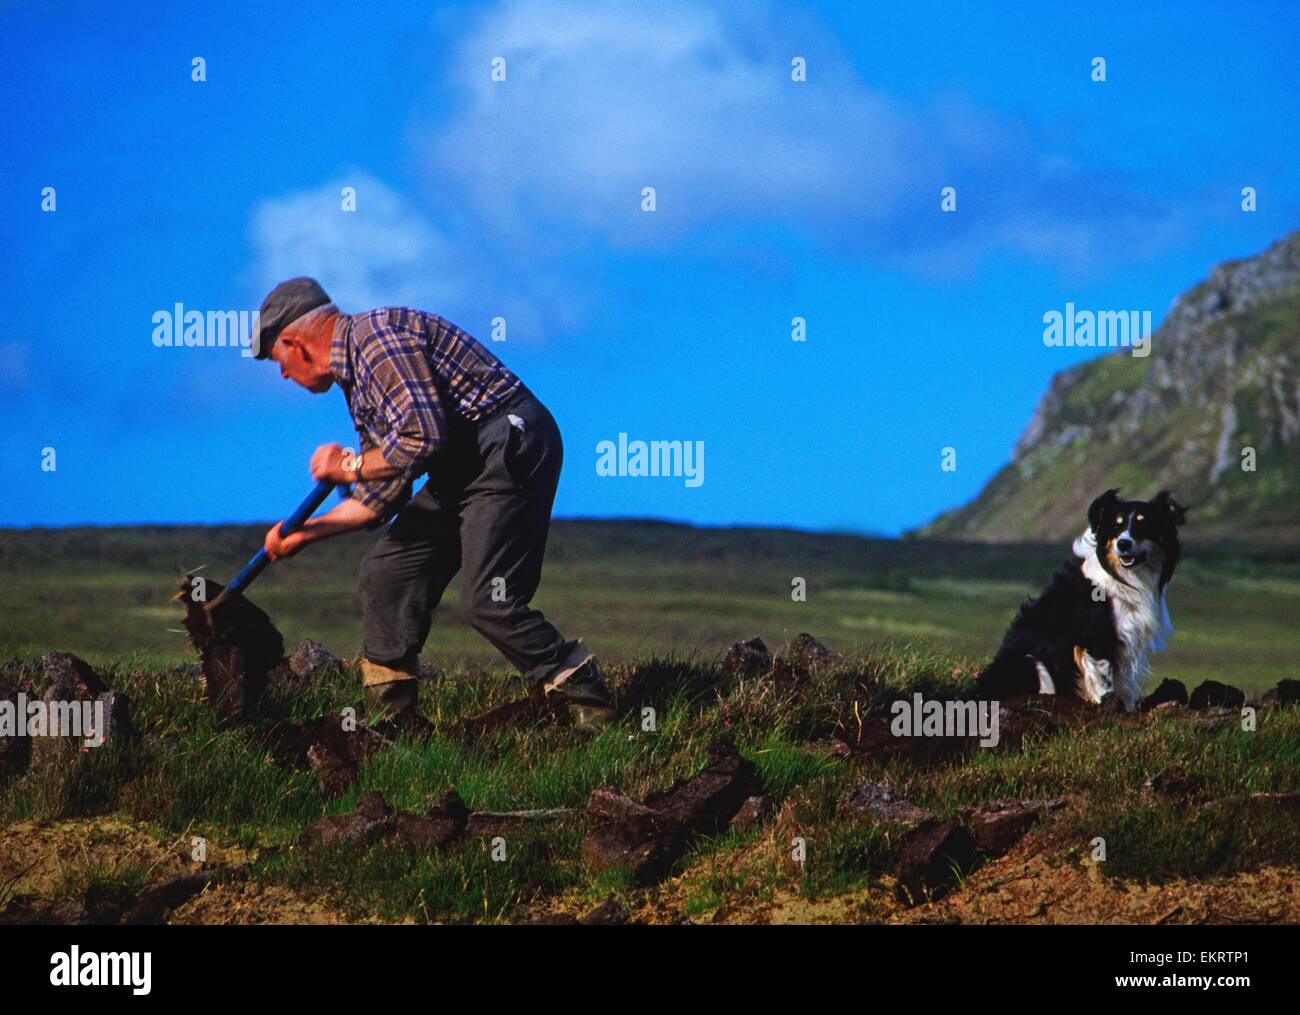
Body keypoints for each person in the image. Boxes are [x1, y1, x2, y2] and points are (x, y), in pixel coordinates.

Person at [253, 276, 614, 734]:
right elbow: (382, 493)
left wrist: (346, 464)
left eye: (277, 361)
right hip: (461, 464)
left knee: (488, 601)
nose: (282, 374)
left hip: (506, 443)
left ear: (294, 342)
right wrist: (307, 533)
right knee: (387, 572)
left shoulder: (376, 340)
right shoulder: (357, 382)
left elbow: (422, 438)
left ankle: (586, 696)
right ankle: (392, 717)